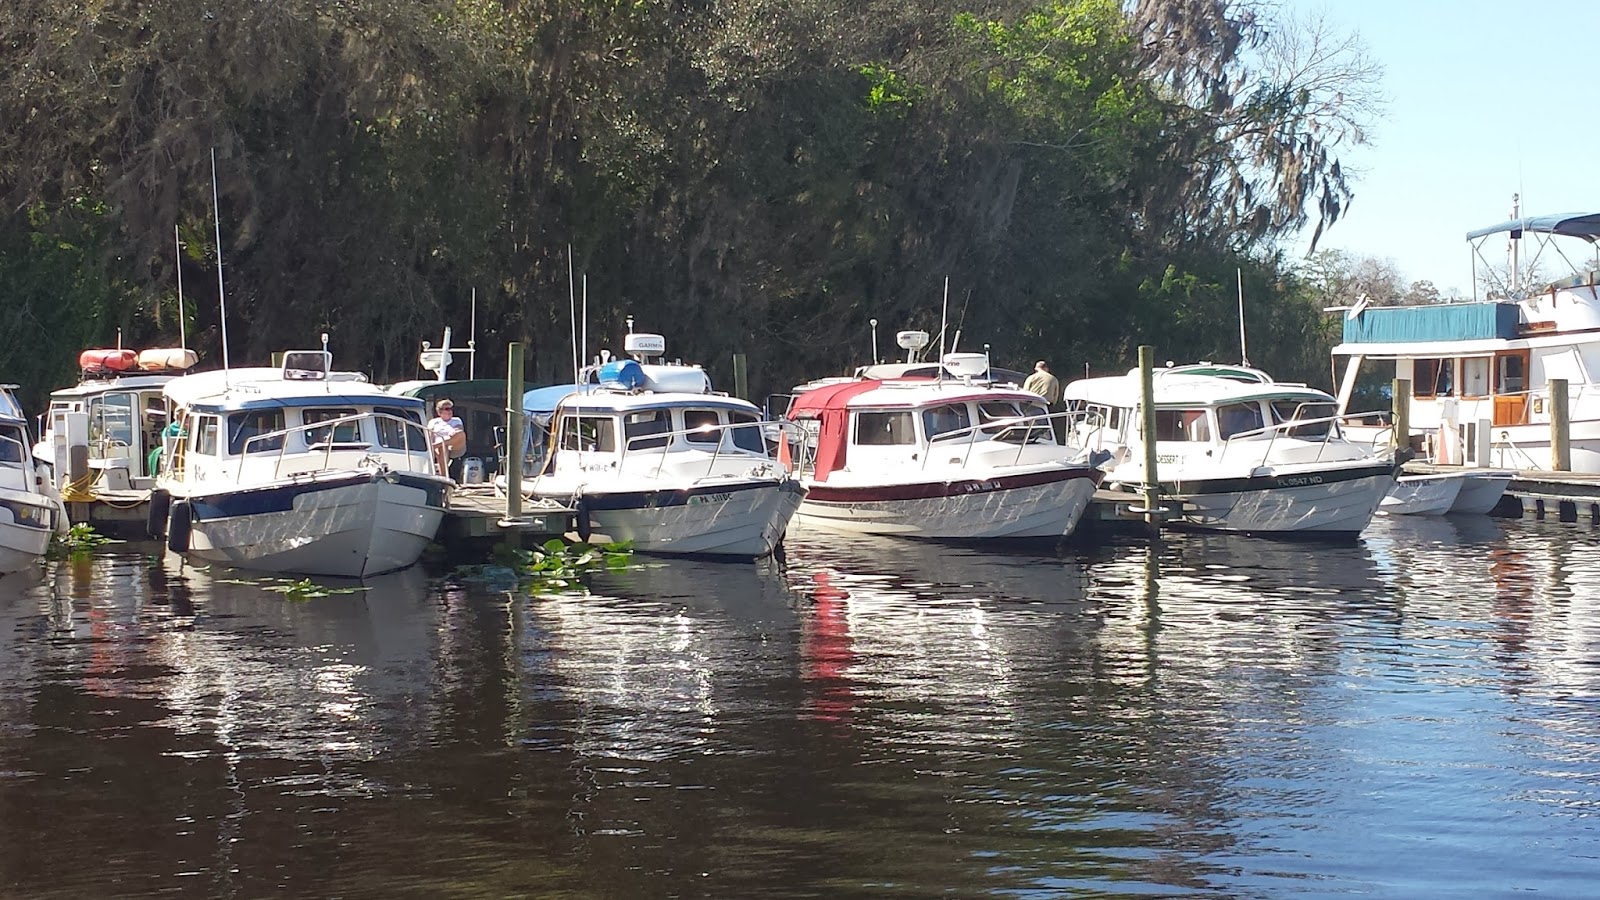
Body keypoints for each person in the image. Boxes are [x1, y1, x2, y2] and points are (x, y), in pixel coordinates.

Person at [1022, 360, 1064, 441]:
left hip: (1032, 404)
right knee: (1047, 427)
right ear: (1046, 368)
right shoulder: (1053, 379)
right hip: (1047, 405)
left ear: (1036, 368)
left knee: (1032, 426)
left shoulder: (1031, 377)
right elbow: (1056, 394)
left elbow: (1025, 391)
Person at [427, 399, 466, 483]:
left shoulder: (457, 420)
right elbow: (430, 435)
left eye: (451, 408)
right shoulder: (433, 422)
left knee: (460, 434)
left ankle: (440, 444)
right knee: (442, 447)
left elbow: (459, 429)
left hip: (454, 445)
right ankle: (444, 478)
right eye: (447, 409)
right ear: (439, 412)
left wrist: (454, 431)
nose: (450, 411)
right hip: (439, 447)